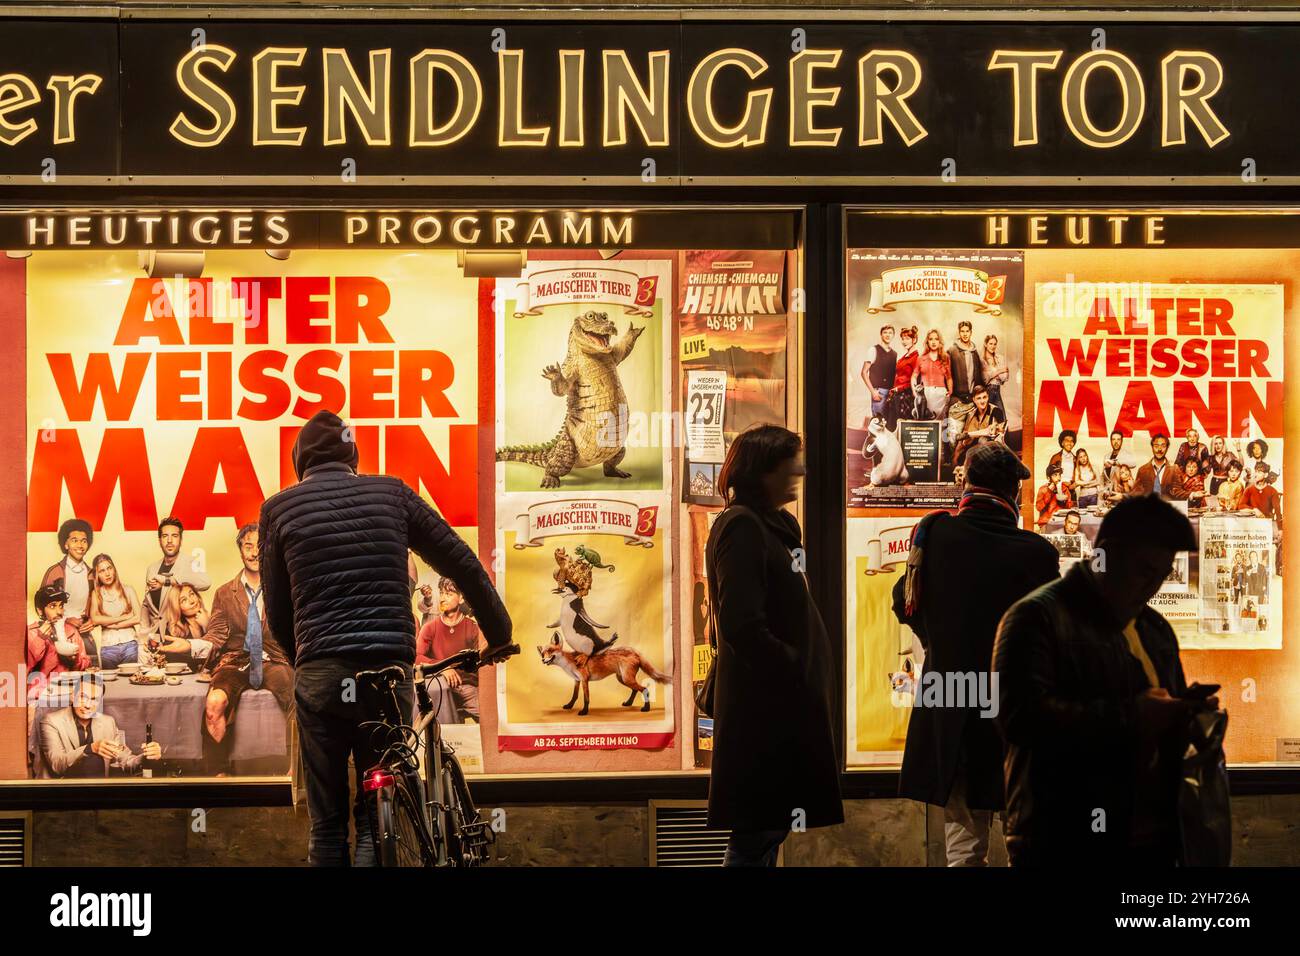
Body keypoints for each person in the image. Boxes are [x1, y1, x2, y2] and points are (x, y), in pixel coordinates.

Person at [259, 409, 512, 867]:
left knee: (327, 823)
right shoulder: (392, 493)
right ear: (352, 453)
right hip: (385, 675)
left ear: (300, 461)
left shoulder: (278, 510)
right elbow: (461, 562)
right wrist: (498, 633)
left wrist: (309, 662)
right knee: (377, 815)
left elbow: (277, 612)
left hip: (320, 676)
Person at [993, 494, 1217, 866]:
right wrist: (1134, 717)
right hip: (1062, 839)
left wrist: (1187, 717)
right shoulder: (1035, 617)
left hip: (1147, 835)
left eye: (1162, 575)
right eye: (1145, 572)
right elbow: (1018, 718)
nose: (1153, 588)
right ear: (1107, 556)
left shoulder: (1153, 628)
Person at [891, 443, 1058, 866]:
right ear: (1011, 494)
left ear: (968, 484)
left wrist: (939, 641)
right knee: (1030, 840)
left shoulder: (934, 534)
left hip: (952, 707)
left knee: (964, 849)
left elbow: (903, 602)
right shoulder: (1037, 553)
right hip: (1017, 714)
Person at [706, 424, 842, 865]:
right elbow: (741, 623)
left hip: (782, 708)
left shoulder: (779, 527)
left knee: (767, 830)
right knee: (757, 832)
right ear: (761, 472)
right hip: (763, 711)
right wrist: (793, 666)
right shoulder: (741, 526)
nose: (798, 473)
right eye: (788, 466)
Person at [202, 524, 294, 773]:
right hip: (237, 660)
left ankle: (294, 772)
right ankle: (219, 774)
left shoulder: (283, 588)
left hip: (273, 659)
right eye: (248, 546)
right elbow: (216, 634)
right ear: (240, 551)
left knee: (300, 697)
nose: (254, 552)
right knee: (213, 703)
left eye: (259, 546)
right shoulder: (224, 593)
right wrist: (192, 646)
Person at [38, 674, 160, 778]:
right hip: (62, 794)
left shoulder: (108, 723)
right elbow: (57, 765)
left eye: (94, 699)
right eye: (82, 697)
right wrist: (90, 748)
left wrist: (147, 757)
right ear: (72, 696)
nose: (87, 705)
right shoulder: (52, 721)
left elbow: (126, 761)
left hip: (96, 795)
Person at [416, 577, 486, 724]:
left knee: (488, 716)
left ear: (461, 599)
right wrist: (443, 667)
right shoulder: (430, 627)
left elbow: (483, 662)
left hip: (468, 687)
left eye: (448, 594)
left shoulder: (473, 628)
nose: (442, 598)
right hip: (440, 685)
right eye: (441, 593)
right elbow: (416, 656)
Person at [141, 517, 212, 633]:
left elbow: (206, 582)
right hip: (155, 635)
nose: (169, 540)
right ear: (159, 541)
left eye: (174, 536)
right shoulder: (152, 569)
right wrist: (144, 630)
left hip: (181, 634)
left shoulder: (191, 562)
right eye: (165, 536)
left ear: (181, 540)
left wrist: (167, 580)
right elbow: (146, 603)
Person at [40, 518, 96, 639]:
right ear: (66, 544)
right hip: (57, 633)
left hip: (83, 634)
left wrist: (92, 621)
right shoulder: (54, 572)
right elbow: (41, 605)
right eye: (74, 540)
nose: (80, 545)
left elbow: (98, 606)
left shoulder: (93, 574)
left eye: (84, 541)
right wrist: (65, 619)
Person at [86, 554, 140, 669]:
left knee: (130, 682)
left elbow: (139, 617)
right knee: (110, 684)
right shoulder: (96, 594)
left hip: (130, 644)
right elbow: (95, 619)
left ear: (114, 569)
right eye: (102, 571)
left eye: (109, 568)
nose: (107, 573)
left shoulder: (128, 590)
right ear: (97, 575)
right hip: (108, 647)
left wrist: (109, 624)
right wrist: (124, 617)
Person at [27, 585, 91, 680]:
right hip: (42, 689)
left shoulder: (71, 631)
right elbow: (25, 668)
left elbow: (85, 665)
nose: (59, 612)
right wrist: (40, 640)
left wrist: (74, 659)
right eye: (52, 606)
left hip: (69, 686)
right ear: (40, 611)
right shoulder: (31, 633)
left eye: (61, 606)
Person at [157, 583, 212, 665]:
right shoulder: (173, 629)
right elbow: (171, 662)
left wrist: (208, 626)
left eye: (192, 594)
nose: (192, 601)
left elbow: (220, 653)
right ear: (177, 606)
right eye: (184, 600)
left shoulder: (215, 619)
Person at [951, 384, 1005, 467]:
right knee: (962, 456)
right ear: (974, 400)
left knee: (982, 440)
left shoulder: (996, 411)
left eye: (984, 397)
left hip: (993, 449)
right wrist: (955, 456)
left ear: (988, 397)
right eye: (979, 398)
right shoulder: (971, 414)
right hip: (974, 449)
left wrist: (969, 434)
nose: (982, 401)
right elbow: (963, 438)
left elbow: (992, 432)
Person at [912, 330, 952, 430]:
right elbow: (914, 376)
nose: (933, 342)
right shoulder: (921, 358)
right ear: (927, 342)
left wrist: (950, 392)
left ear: (940, 342)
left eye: (936, 339)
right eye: (931, 339)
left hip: (941, 394)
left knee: (941, 425)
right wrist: (915, 391)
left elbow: (949, 378)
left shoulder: (945, 357)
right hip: (925, 394)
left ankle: (940, 446)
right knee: (926, 424)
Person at [1131, 434, 1188, 500]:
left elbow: (1178, 492)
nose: (1159, 449)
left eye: (1163, 446)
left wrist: (1192, 494)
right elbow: (1136, 493)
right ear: (1152, 447)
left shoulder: (1174, 469)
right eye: (1156, 446)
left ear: (1167, 447)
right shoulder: (1142, 470)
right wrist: (1123, 496)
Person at [861, 324, 897, 419]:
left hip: (891, 394)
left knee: (888, 425)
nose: (888, 335)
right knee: (878, 423)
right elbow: (864, 372)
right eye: (885, 332)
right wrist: (873, 392)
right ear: (881, 334)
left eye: (890, 333)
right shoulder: (873, 350)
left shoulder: (894, 354)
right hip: (879, 392)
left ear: (893, 335)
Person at [1035, 463, 1073, 530]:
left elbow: (1069, 507)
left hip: (1062, 521)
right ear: (1048, 478)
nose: (1058, 478)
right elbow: (1039, 507)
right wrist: (1049, 492)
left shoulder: (1064, 489)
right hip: (1046, 521)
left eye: (1059, 475)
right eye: (1055, 475)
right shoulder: (1043, 489)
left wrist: (1064, 500)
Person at [979, 334, 1010, 416]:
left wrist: (992, 374)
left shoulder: (999, 358)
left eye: (995, 344)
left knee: (1002, 417)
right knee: (987, 418)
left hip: (997, 390)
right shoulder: (982, 360)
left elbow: (1005, 377)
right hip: (987, 392)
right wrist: (999, 371)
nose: (993, 346)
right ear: (986, 344)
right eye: (990, 344)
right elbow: (984, 379)